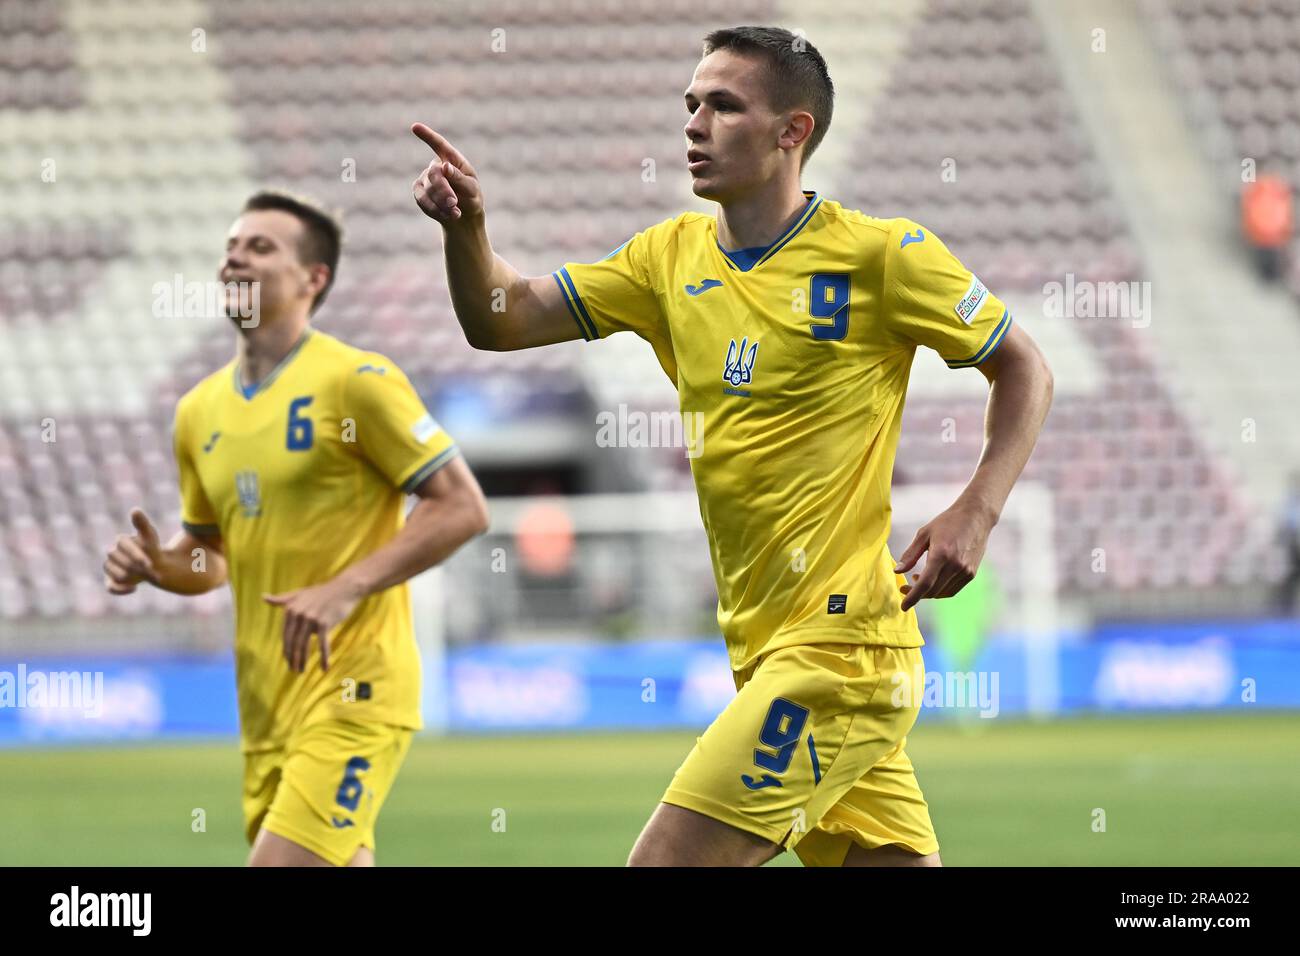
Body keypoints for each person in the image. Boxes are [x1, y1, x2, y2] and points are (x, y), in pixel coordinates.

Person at [411, 25, 1053, 866]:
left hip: (841, 651)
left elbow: (1023, 366)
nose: (694, 123)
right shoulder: (666, 259)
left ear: (793, 132)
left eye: (723, 105)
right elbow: (501, 319)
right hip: (766, 648)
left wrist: (978, 506)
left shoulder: (883, 256)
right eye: (690, 104)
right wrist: (469, 231)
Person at [103, 190, 489, 866]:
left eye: (259, 248)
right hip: (266, 704)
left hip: (355, 691)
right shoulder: (198, 412)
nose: (235, 261)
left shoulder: (356, 381)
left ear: (314, 279)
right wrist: (161, 567)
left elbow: (461, 506)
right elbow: (210, 557)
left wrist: (345, 587)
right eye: (230, 248)